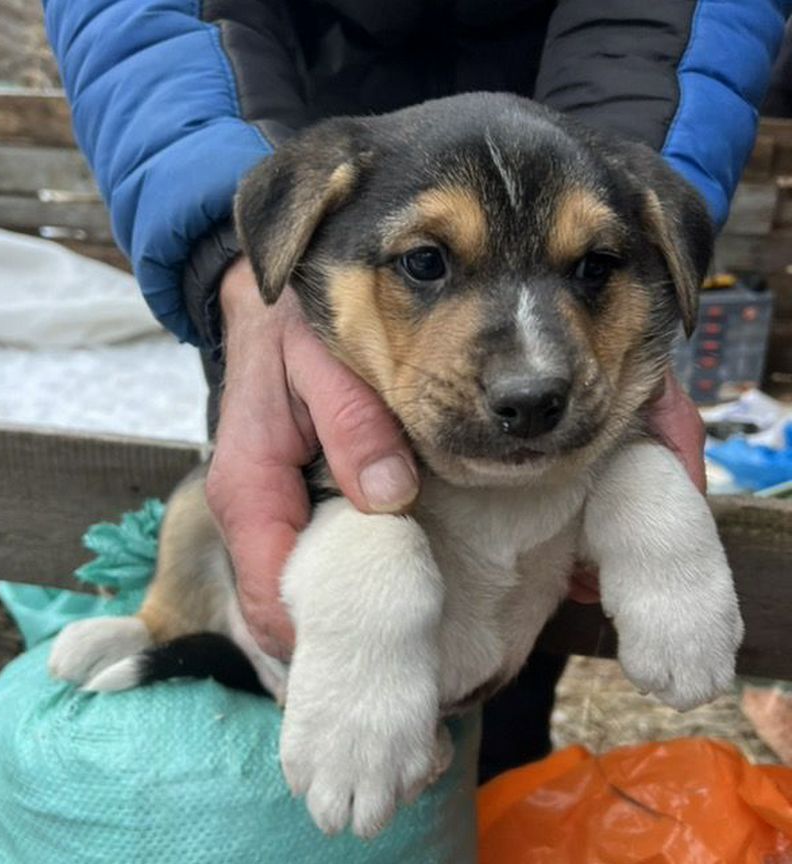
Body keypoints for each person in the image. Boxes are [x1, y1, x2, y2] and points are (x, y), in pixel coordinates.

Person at [44, 0, 791, 781]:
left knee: (501, 740)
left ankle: (483, 765)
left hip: (586, 89)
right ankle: (166, 628)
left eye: (592, 268)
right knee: (231, 492)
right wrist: (224, 260)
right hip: (288, 86)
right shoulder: (327, 220)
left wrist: (656, 514)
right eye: (427, 264)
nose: (532, 371)